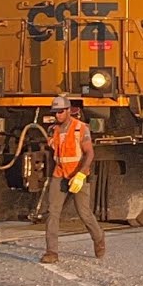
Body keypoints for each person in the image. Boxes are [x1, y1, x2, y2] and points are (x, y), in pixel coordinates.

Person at [41, 95, 105, 263]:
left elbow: (89, 153)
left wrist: (81, 174)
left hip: (77, 176)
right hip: (59, 175)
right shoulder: (53, 130)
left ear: (69, 110)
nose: (58, 115)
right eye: (55, 112)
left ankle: (98, 237)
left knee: (84, 213)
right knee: (53, 212)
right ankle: (51, 252)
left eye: (61, 112)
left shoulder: (80, 128)